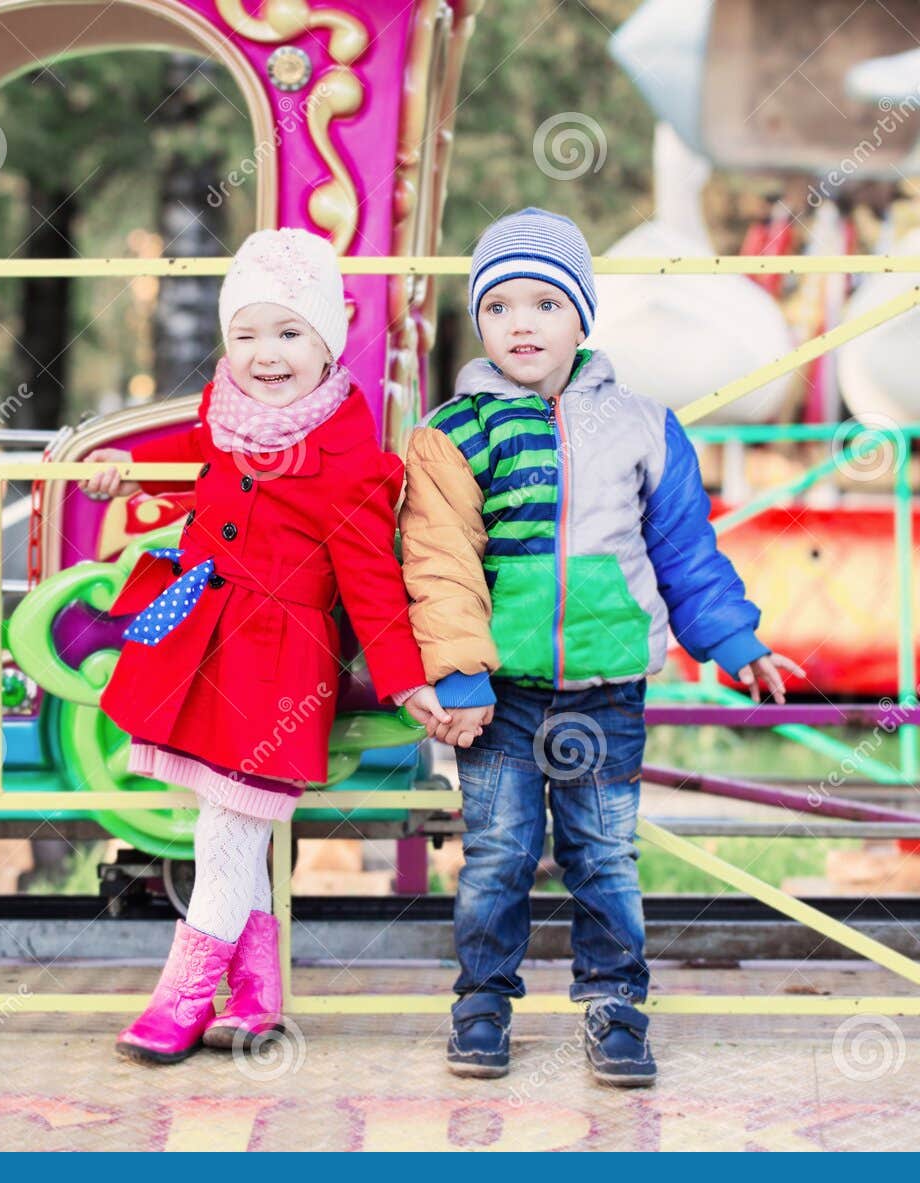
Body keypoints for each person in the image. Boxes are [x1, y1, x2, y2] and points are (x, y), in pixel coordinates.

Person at [398, 207, 805, 1086]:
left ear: (582, 316)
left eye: (545, 304)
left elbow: (685, 550)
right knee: (498, 854)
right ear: (480, 321)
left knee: (604, 853)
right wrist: (460, 676)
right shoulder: (451, 433)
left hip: (608, 687)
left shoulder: (643, 424)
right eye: (499, 306)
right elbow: (440, 564)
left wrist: (734, 640)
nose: (522, 324)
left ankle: (617, 1005)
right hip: (499, 695)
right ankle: (481, 1003)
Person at [83, 228, 446, 1064]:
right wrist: (126, 468)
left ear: (327, 343)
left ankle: (179, 1000)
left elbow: (372, 583)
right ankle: (254, 997)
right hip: (204, 648)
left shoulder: (348, 461)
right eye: (245, 334)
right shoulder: (225, 416)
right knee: (228, 829)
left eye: (289, 332)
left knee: (227, 835)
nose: (266, 354)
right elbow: (187, 453)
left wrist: (405, 680)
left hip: (277, 674)